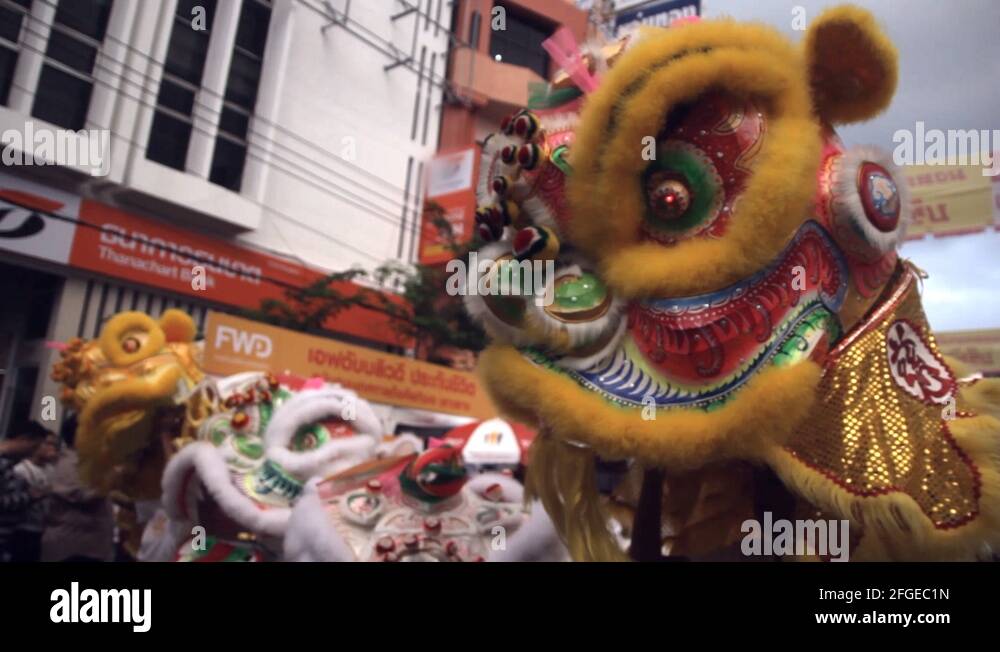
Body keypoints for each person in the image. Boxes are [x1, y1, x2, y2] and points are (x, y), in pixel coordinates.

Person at [40, 414, 114, 562]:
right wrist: (116, 475)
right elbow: (84, 495)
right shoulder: (68, 463)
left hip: (89, 548)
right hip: (71, 550)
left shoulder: (86, 463)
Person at [0, 421, 50, 562]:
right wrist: (29, 497)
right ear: (23, 439)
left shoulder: (9, 464)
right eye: (34, 446)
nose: (33, 452)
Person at [11, 427, 59, 562]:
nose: (52, 448)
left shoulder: (52, 469)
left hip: (45, 530)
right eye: (48, 443)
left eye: (55, 444)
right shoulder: (21, 470)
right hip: (24, 529)